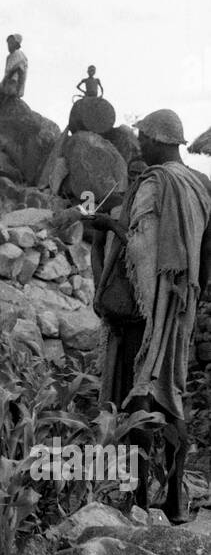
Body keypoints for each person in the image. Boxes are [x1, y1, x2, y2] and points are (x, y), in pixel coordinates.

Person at [91, 109, 211, 520]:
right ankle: (175, 501)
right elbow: (206, 257)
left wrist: (108, 224)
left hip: (146, 312)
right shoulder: (201, 185)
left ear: (160, 139)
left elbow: (139, 247)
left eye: (143, 137)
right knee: (172, 398)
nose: (139, 144)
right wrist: (186, 305)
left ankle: (140, 500)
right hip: (180, 307)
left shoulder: (155, 184)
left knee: (138, 399)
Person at [0, 33, 28, 98]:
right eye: (8, 43)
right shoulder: (9, 57)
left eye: (11, 43)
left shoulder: (18, 54)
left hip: (14, 85)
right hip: (7, 84)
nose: (9, 45)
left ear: (17, 44)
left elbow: (19, 70)